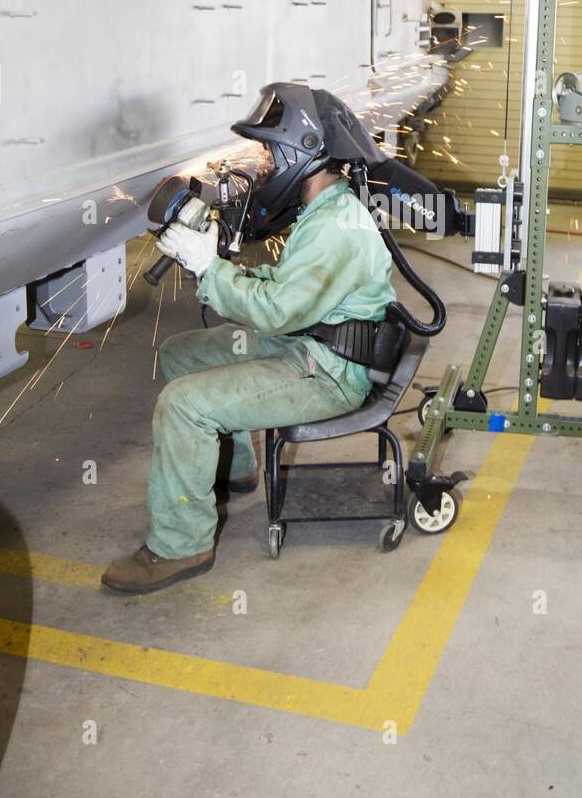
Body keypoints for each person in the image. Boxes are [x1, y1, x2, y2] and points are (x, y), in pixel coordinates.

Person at [102, 84, 396, 594]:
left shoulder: (336, 225)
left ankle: (180, 545)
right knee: (180, 356)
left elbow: (278, 312)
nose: (263, 164)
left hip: (326, 372)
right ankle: (234, 470)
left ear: (300, 151)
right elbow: (287, 294)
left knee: (184, 404)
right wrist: (216, 264)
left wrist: (208, 268)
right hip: (305, 345)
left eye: (268, 152)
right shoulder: (326, 209)